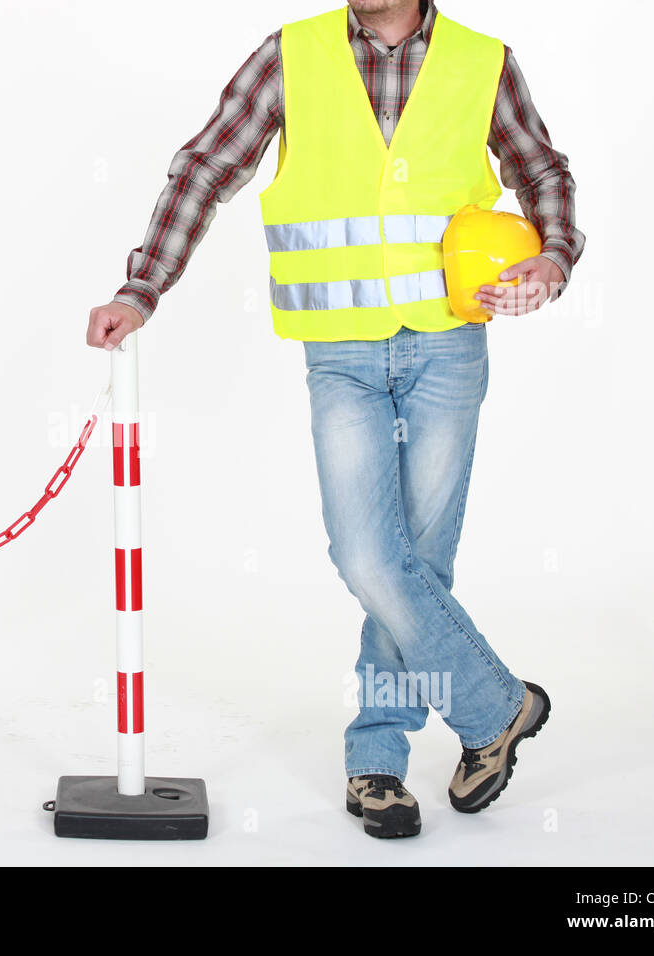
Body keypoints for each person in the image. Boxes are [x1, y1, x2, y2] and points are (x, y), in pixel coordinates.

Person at [85, 0, 584, 839]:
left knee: (417, 566)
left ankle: (376, 761)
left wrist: (552, 257)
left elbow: (545, 174)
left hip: (449, 348)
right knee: (368, 559)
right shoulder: (291, 55)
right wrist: (142, 289)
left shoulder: (482, 59)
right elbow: (206, 169)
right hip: (342, 354)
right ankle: (499, 706)